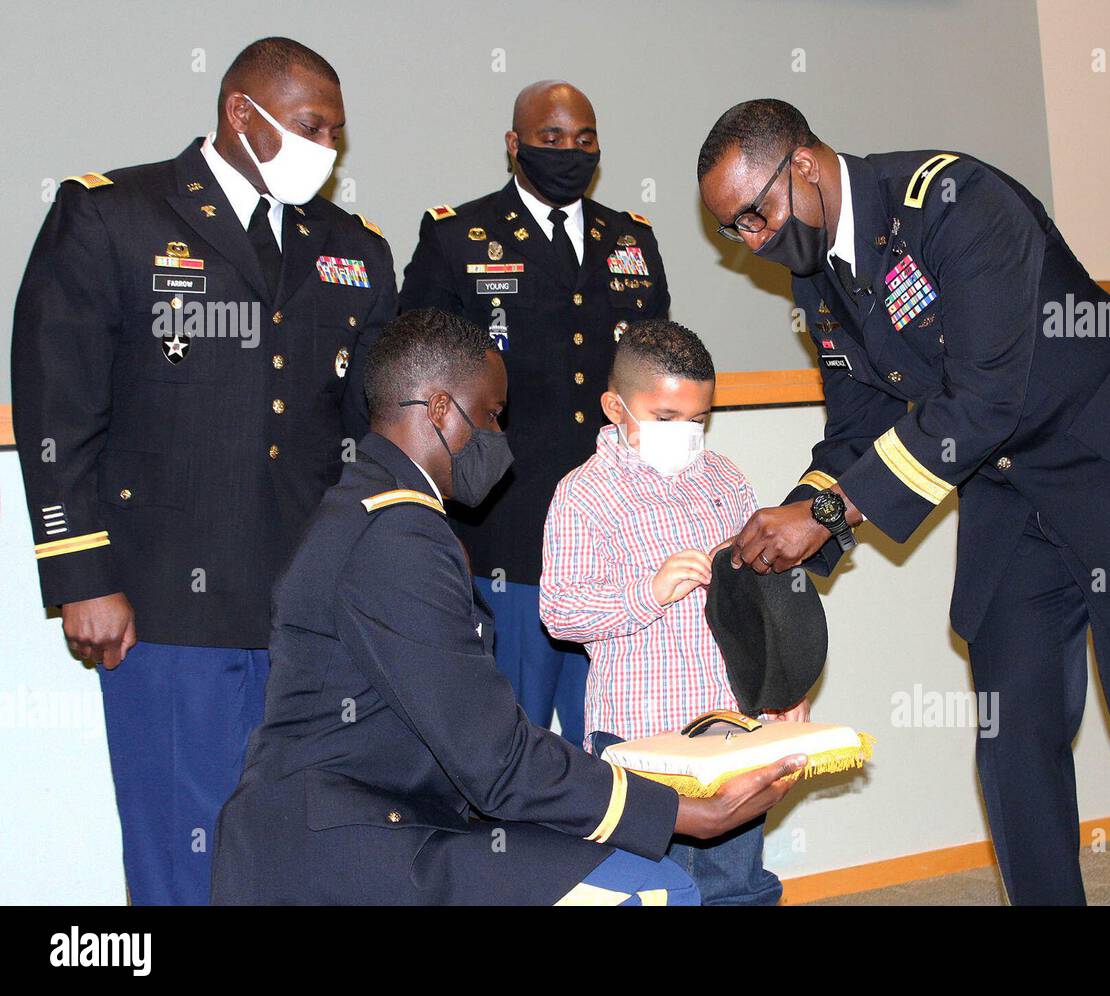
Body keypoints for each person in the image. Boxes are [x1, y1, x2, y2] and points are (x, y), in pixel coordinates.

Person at [696, 98, 1110, 905]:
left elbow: (982, 402)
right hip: (1014, 492)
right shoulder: (817, 274)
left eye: (755, 215)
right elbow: (859, 426)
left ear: (802, 164)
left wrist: (829, 515)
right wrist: (798, 526)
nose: (752, 243)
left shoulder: (957, 203)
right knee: (1014, 737)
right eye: (734, 230)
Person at [209, 308, 803, 905]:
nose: (500, 438)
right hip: (351, 841)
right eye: (492, 415)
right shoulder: (395, 537)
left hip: (401, 811)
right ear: (441, 409)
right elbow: (495, 756)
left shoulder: (379, 507)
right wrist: (677, 812)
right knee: (651, 891)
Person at [10, 37, 396, 904]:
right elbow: (57, 411)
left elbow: (370, 435)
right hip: (164, 608)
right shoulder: (115, 215)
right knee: (185, 862)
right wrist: (80, 574)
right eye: (309, 126)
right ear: (240, 112)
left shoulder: (352, 249)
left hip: (309, 614)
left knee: (300, 853)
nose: (326, 148)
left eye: (336, 131)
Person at [398, 80, 670, 746]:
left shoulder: (631, 240)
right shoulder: (458, 237)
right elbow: (416, 388)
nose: (570, 152)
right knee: (509, 741)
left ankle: (613, 855)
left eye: (585, 139)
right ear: (514, 144)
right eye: (551, 139)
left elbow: (656, 385)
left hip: (617, 541)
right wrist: (437, 520)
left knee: (615, 739)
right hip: (506, 534)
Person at [540, 319, 800, 906]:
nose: (684, 433)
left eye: (697, 420)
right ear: (615, 407)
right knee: (654, 888)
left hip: (726, 724)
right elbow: (560, 611)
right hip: (639, 737)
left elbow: (760, 597)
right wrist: (647, 593)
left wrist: (780, 685)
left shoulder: (724, 478)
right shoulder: (584, 494)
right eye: (665, 419)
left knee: (734, 883)